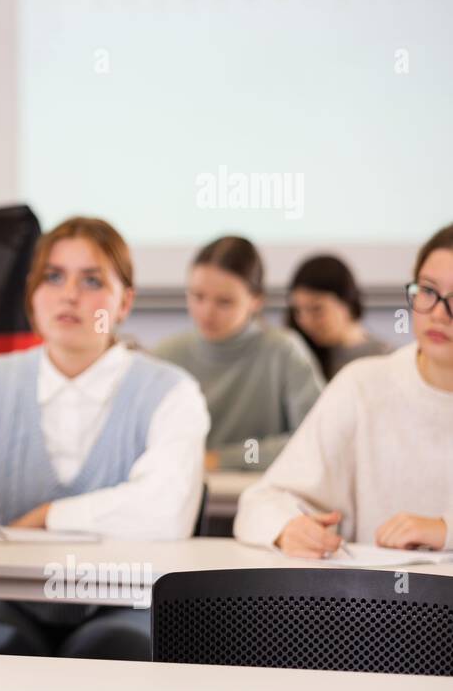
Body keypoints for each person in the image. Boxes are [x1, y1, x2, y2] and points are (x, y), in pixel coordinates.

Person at [0, 217, 209, 660]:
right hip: (7, 599)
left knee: (116, 650)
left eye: (91, 280)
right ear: (33, 298)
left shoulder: (171, 391)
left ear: (124, 302)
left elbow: (164, 511)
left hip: (124, 603)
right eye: (53, 277)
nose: (69, 294)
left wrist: (48, 515)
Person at [235, 224, 453, 557]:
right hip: (376, 605)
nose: (438, 313)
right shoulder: (362, 385)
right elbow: (261, 502)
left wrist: (445, 530)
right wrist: (287, 528)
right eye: (427, 291)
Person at [156, 236, 323, 472]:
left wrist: (221, 459)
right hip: (180, 492)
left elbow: (316, 440)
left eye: (224, 302)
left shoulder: (283, 352)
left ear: (256, 301)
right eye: (197, 296)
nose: (206, 312)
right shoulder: (166, 356)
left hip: (262, 495)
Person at [286, 254, 389, 380]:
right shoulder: (301, 355)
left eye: (317, 309)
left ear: (346, 303)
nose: (305, 321)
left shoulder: (385, 359)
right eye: (297, 311)